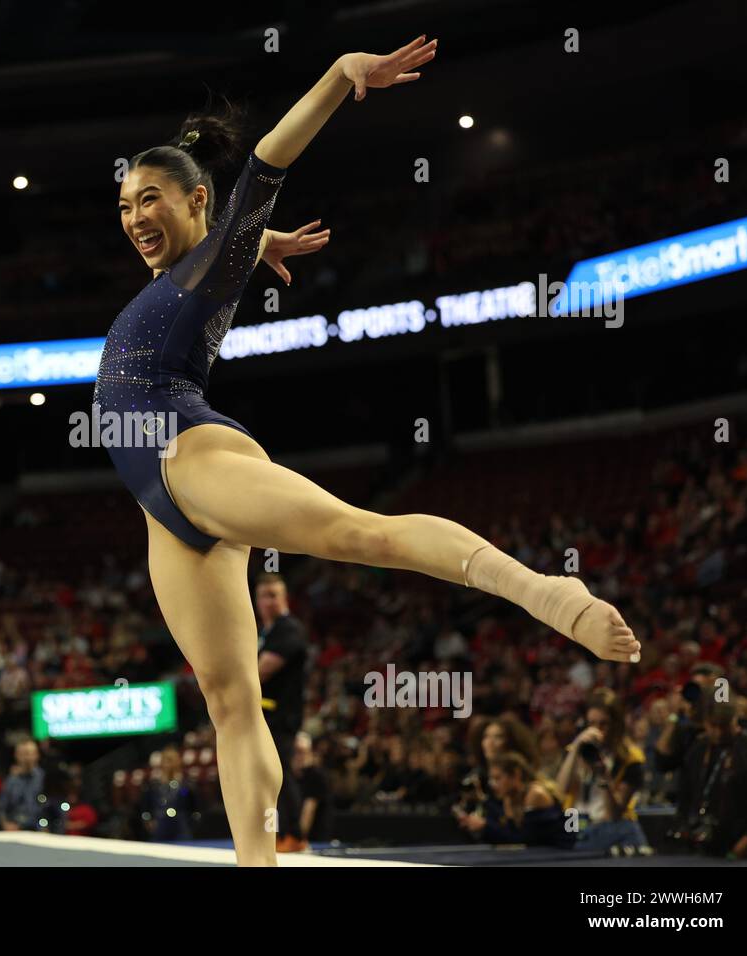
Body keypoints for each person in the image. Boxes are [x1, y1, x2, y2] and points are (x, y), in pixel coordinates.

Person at [93, 36, 639, 866]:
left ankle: (542, 591)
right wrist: (250, 251)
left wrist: (337, 77)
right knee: (231, 702)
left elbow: (266, 165)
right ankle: (258, 862)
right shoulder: (201, 265)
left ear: (197, 198)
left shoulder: (217, 245)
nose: (135, 217)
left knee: (362, 534)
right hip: (160, 509)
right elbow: (215, 263)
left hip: (189, 451)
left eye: (152, 199)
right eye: (126, 204)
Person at [253, 573, 309, 851]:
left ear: (284, 597)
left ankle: (294, 835)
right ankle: (276, 833)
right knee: (267, 775)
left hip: (281, 717)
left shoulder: (288, 630)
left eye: (274, 595)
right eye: (264, 596)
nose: (269, 602)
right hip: (264, 717)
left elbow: (259, 672)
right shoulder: (266, 633)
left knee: (281, 774)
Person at [555, 690, 648, 852]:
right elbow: (561, 790)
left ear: (616, 725)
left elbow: (614, 814)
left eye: (603, 724)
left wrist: (604, 777)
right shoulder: (574, 751)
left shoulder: (630, 758)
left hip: (610, 829)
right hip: (575, 823)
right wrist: (576, 747)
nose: (596, 730)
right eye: (591, 724)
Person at [672, 702, 747, 858]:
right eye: (713, 726)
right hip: (701, 845)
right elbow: (686, 793)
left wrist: (746, 842)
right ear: (705, 722)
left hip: (738, 847)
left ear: (734, 721)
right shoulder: (699, 749)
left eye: (724, 726)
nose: (718, 732)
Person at [456, 751, 575, 849]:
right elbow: (509, 835)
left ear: (516, 775)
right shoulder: (509, 798)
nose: (493, 784)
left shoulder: (535, 795)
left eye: (498, 778)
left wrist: (485, 825)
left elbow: (523, 839)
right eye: (491, 779)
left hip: (563, 853)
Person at [0, 739, 50, 832]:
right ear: (16, 755)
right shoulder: (11, 781)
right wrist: (5, 824)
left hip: (40, 830)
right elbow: (2, 807)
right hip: (17, 830)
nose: (28, 758)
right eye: (24, 753)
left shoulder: (45, 779)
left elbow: (52, 808)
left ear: (37, 755)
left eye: (31, 753)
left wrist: (47, 826)